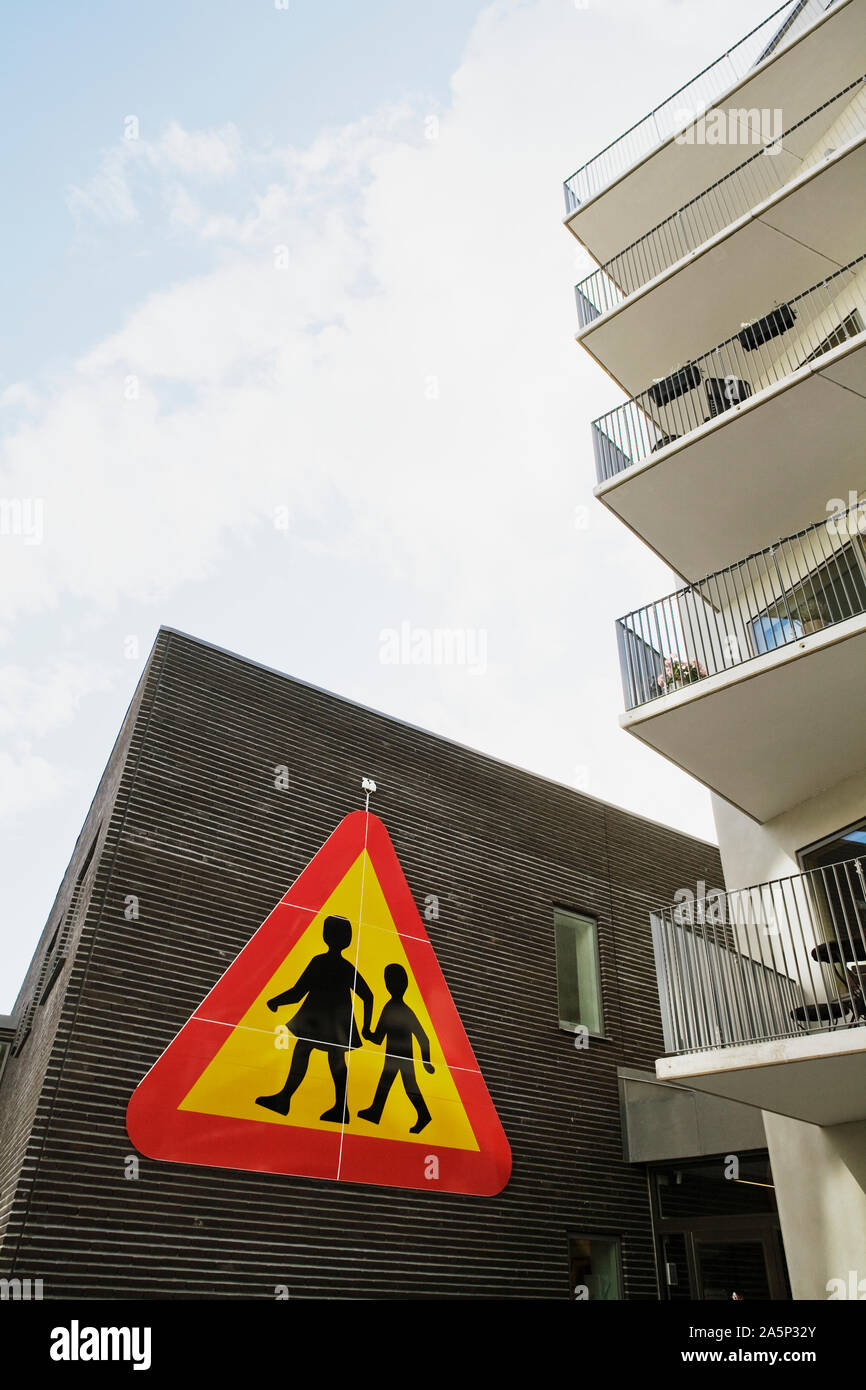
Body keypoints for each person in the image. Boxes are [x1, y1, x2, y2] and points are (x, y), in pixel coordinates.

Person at [255, 914, 373, 1123]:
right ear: (348, 939)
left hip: (317, 1022)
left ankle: (288, 1100)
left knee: (304, 1051)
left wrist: (275, 1002)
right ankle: (340, 1108)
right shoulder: (346, 967)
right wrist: (366, 1027)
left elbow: (298, 991)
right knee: (334, 1059)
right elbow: (368, 996)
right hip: (335, 1025)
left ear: (325, 935)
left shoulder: (320, 961)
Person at [358, 963, 435, 1134]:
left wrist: (426, 1063)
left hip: (400, 1057)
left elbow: (422, 1037)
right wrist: (425, 1062)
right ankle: (376, 1111)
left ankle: (423, 1115)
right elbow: (380, 1038)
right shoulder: (399, 1009)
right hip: (397, 1056)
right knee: (392, 1083)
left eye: (388, 980)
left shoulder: (393, 1008)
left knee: (408, 1087)